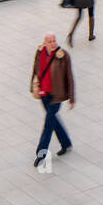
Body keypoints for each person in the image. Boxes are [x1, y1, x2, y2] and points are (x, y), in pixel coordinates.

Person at [30, 32, 74, 167]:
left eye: (54, 40)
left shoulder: (63, 56)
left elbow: (69, 77)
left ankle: (41, 154)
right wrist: (32, 86)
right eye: (49, 41)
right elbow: (35, 70)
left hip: (56, 96)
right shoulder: (40, 53)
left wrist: (72, 98)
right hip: (44, 94)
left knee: (48, 125)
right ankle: (66, 143)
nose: (52, 43)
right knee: (53, 120)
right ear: (44, 43)